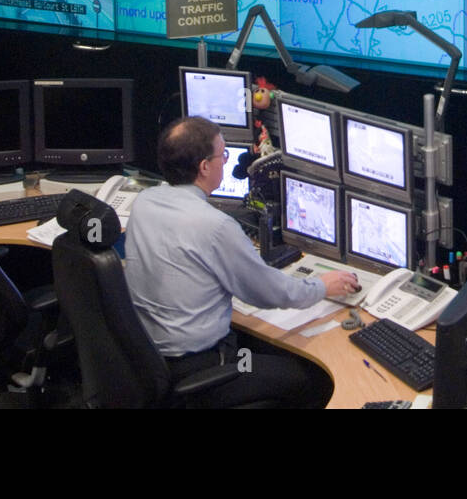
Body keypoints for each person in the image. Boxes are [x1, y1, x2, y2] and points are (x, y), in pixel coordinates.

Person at [125, 116, 359, 407]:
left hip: (149, 358)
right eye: (222, 155)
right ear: (204, 167)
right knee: (313, 379)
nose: (225, 160)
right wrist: (323, 286)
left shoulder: (145, 202)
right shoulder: (215, 227)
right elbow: (272, 293)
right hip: (203, 365)